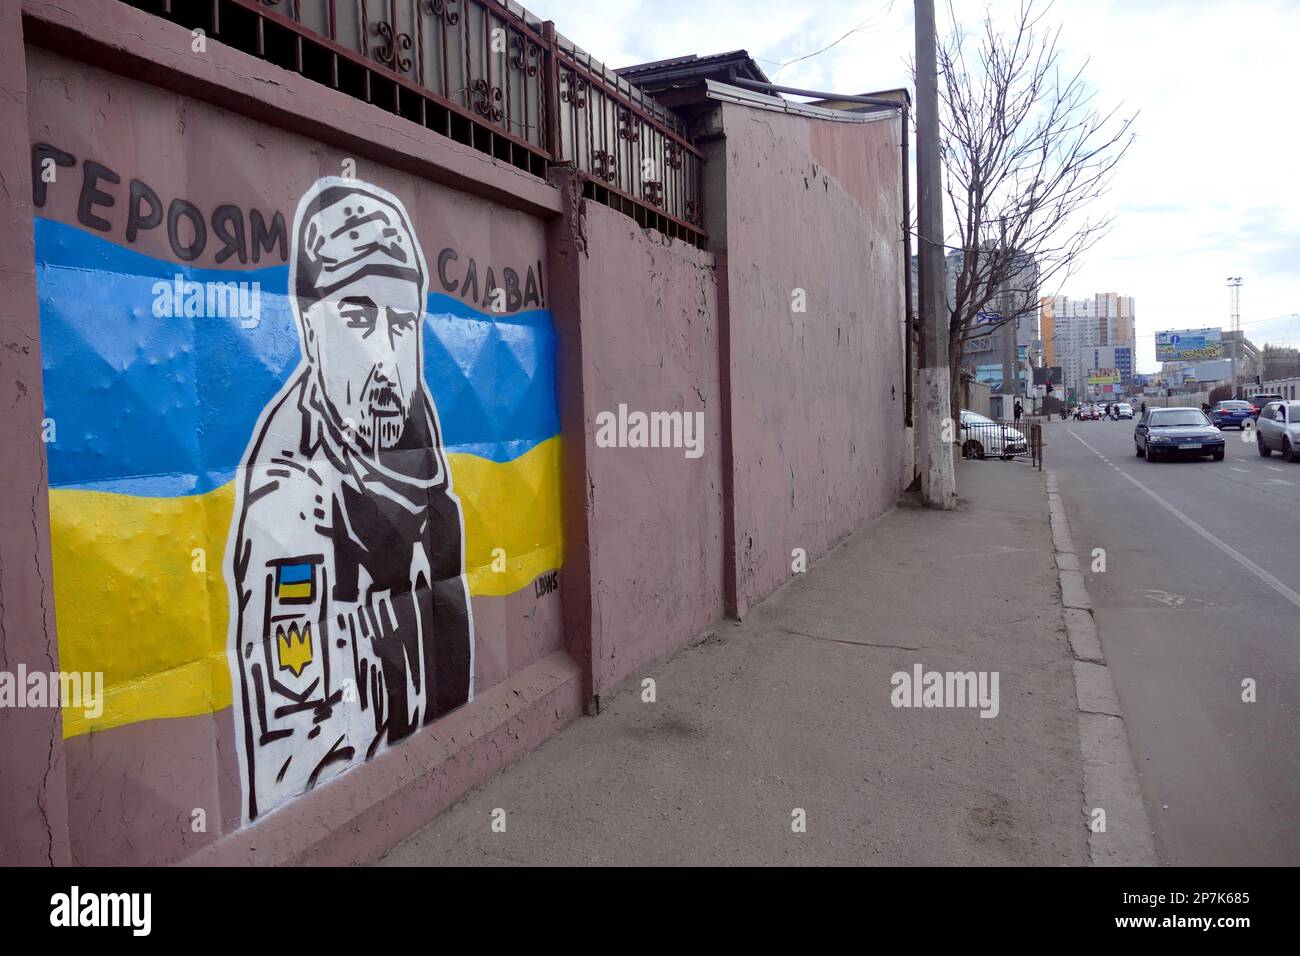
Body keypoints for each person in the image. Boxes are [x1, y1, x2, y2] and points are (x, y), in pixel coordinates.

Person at [226, 177, 474, 823]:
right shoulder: (291, 506)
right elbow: (300, 756)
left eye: (402, 322)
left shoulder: (421, 451)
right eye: (358, 318)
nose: (387, 359)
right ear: (310, 333)